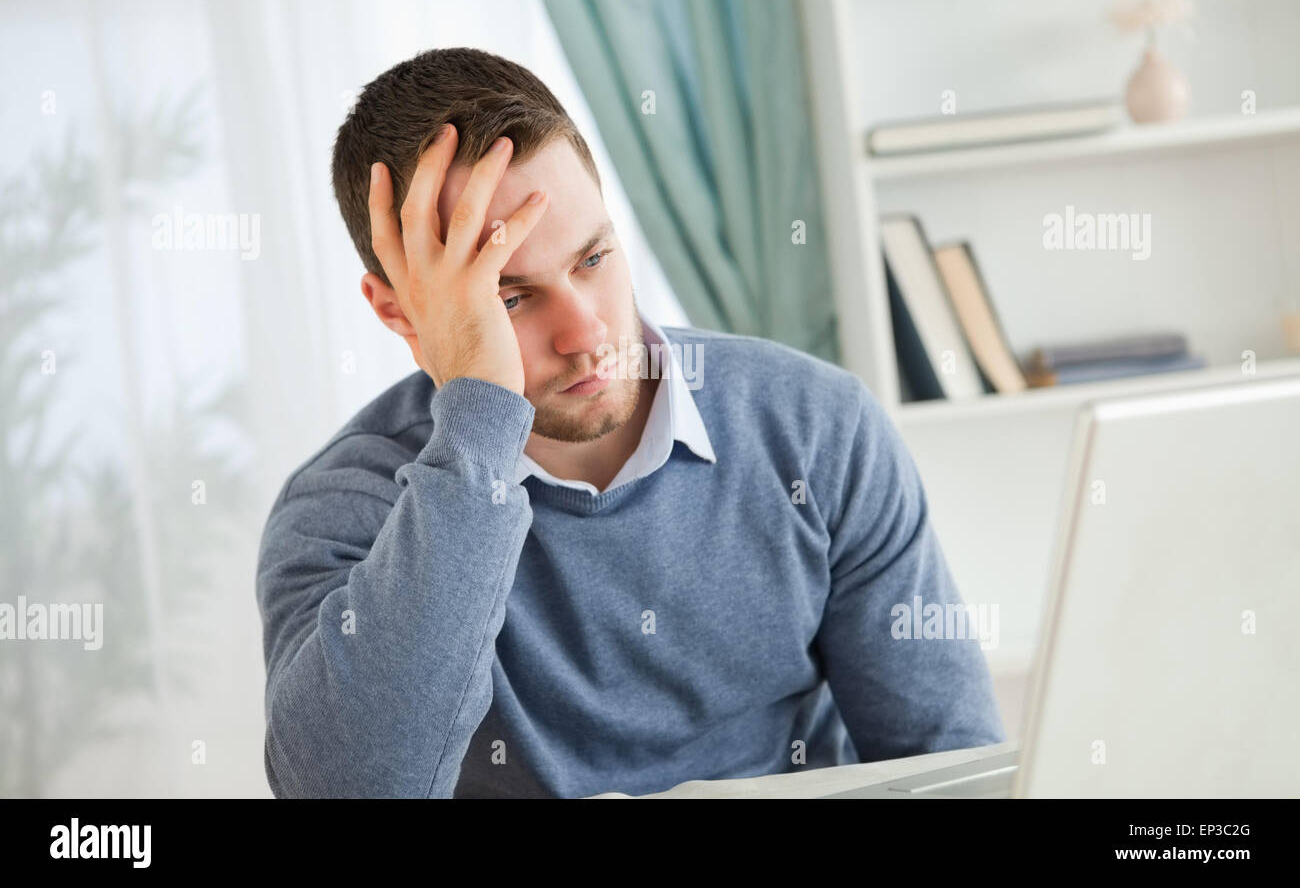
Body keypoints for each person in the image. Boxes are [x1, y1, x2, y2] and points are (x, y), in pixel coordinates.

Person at [256, 46, 1004, 798]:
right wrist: (476, 437)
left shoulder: (818, 428)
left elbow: (953, 769)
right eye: (509, 298)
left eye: (593, 258)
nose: (585, 334)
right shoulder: (345, 508)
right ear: (398, 310)